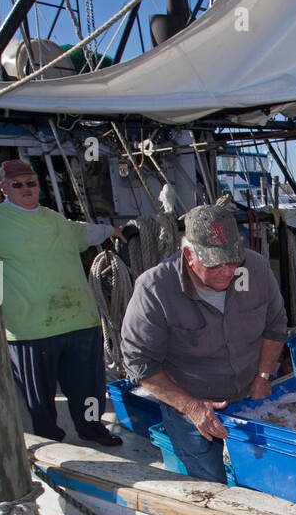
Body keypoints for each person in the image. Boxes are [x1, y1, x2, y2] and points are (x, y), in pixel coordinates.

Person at [120, 203, 287, 482]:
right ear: (188, 254)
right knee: (210, 482)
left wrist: (263, 375)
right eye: (214, 263)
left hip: (250, 397)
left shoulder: (255, 267)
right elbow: (138, 362)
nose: (227, 271)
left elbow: (276, 324)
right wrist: (191, 407)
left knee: (265, 478)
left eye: (233, 260)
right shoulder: (154, 289)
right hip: (190, 407)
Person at [0, 158, 124, 446]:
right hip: (29, 330)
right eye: (17, 184)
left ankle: (93, 429)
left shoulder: (55, 219)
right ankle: (49, 442)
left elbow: (86, 232)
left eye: (31, 182)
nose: (26, 188)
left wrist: (115, 230)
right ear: (4, 188)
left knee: (89, 388)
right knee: (39, 397)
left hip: (80, 322)